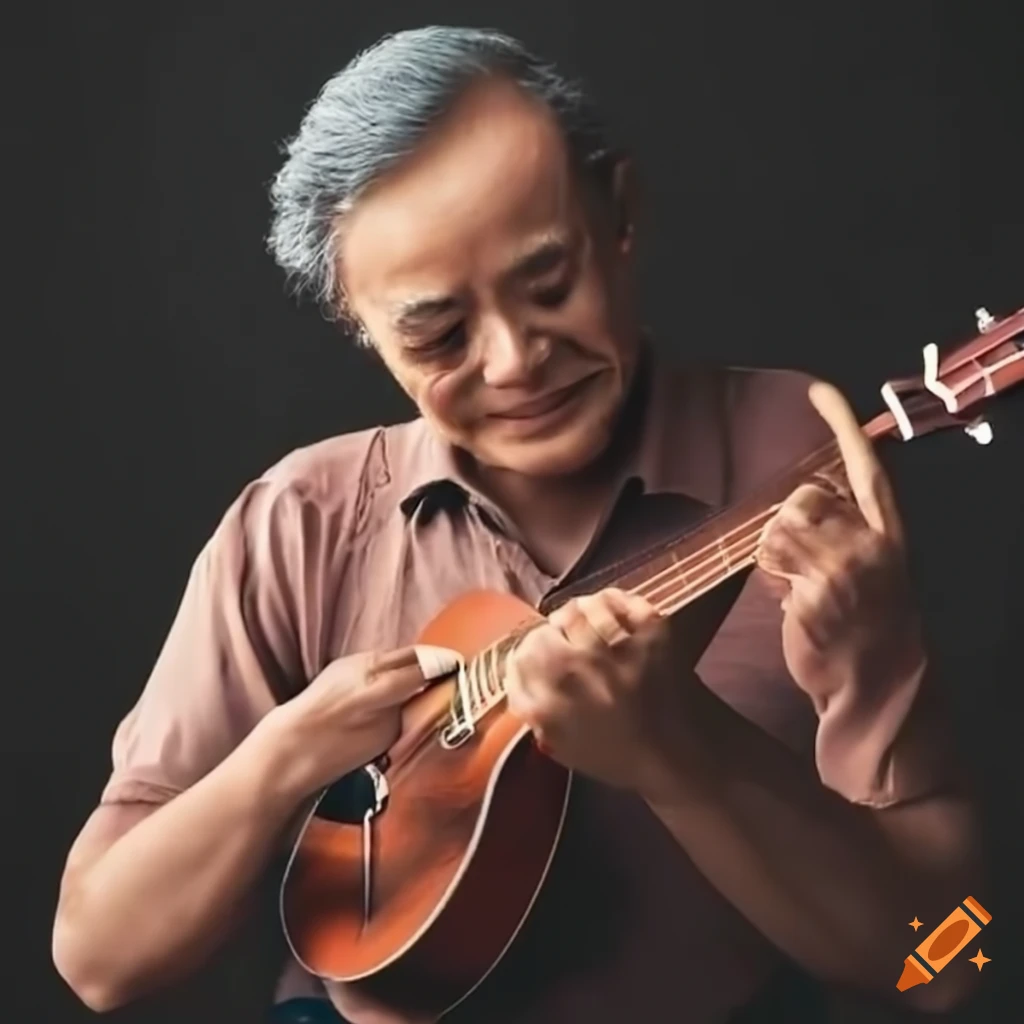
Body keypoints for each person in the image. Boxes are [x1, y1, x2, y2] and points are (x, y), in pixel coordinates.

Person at [52, 25, 986, 1024]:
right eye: (437, 333)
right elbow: (98, 960)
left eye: (550, 284)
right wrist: (283, 756)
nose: (512, 361)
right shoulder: (299, 521)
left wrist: (682, 749)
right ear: (358, 326)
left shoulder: (802, 466)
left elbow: (952, 952)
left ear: (619, 212)